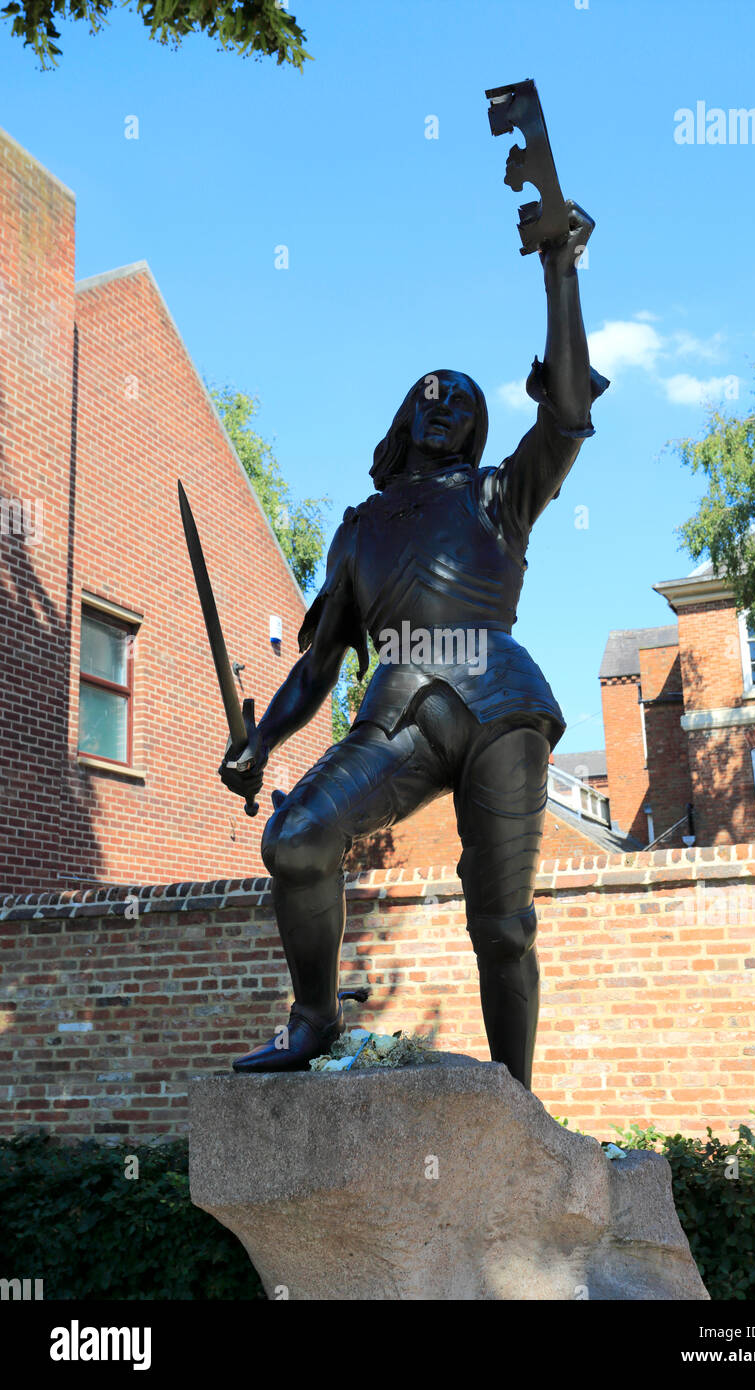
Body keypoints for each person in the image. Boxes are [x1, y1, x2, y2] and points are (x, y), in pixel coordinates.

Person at [220, 203, 607, 1089]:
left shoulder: (500, 494)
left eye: (465, 402)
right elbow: (318, 662)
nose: (448, 409)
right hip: (398, 709)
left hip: (501, 700)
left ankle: (516, 1105)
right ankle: (315, 1020)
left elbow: (569, 415)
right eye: (431, 397)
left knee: (504, 925)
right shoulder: (358, 529)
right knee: (297, 838)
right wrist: (264, 740)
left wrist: (561, 271)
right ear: (406, 416)